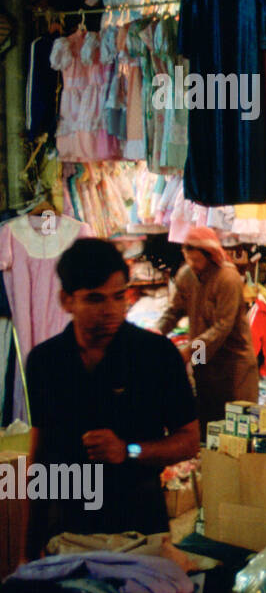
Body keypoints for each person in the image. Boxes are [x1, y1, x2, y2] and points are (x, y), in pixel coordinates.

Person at [24, 239, 199, 559]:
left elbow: (189, 441)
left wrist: (129, 450)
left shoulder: (156, 355)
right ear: (67, 301)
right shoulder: (44, 361)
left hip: (139, 524)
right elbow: (40, 453)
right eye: (94, 299)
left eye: (118, 297)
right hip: (67, 526)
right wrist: (29, 543)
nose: (110, 311)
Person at [154, 227, 259, 431]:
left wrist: (189, 350)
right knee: (208, 419)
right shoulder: (186, 275)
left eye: (197, 261)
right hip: (203, 356)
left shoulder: (228, 278)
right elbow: (174, 311)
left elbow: (222, 327)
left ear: (210, 256)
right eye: (189, 259)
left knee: (239, 423)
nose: (193, 266)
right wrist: (157, 333)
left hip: (233, 360)